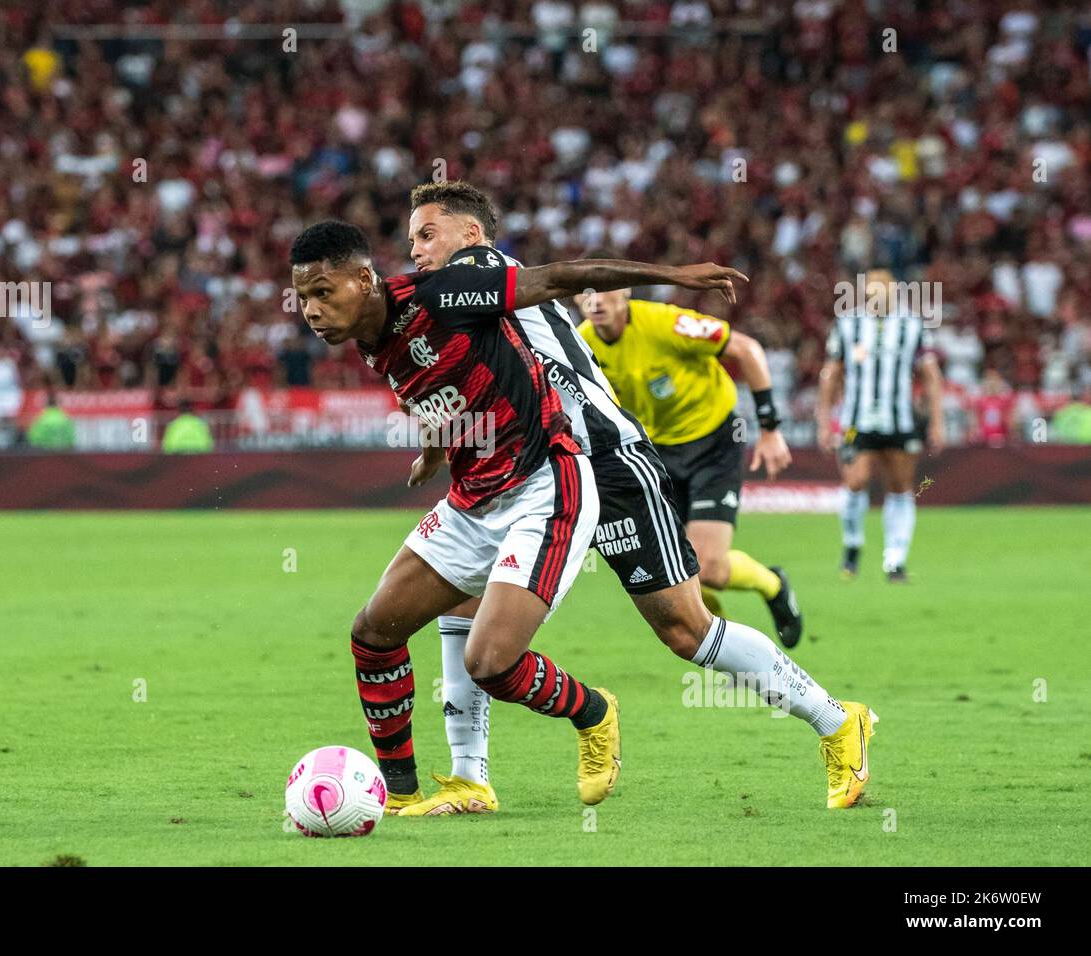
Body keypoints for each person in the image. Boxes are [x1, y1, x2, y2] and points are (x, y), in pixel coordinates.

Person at [396, 181, 875, 815]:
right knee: (461, 591)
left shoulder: (481, 271)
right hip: (528, 472)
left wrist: (675, 275)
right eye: (410, 241)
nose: (417, 251)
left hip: (606, 462)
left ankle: (837, 720)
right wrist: (440, 440)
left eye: (428, 235)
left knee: (685, 628)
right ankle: (469, 778)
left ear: (471, 237)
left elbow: (572, 273)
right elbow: (470, 377)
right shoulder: (456, 300)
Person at [574, 253, 802, 642]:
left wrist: (769, 428)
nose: (595, 301)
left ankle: (773, 584)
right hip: (656, 451)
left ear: (625, 290)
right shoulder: (583, 346)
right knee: (682, 569)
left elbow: (746, 349)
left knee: (709, 566)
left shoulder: (665, 323)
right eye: (584, 293)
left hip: (713, 440)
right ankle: (725, 646)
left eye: (605, 290)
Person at [816, 269, 946, 581]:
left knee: (901, 486)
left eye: (883, 290)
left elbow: (931, 376)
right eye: (872, 290)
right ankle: (852, 545)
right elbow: (830, 374)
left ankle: (895, 560)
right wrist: (824, 423)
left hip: (899, 420)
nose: (877, 296)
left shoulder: (912, 326)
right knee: (855, 480)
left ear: (894, 293)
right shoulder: (847, 325)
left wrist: (937, 422)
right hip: (854, 422)